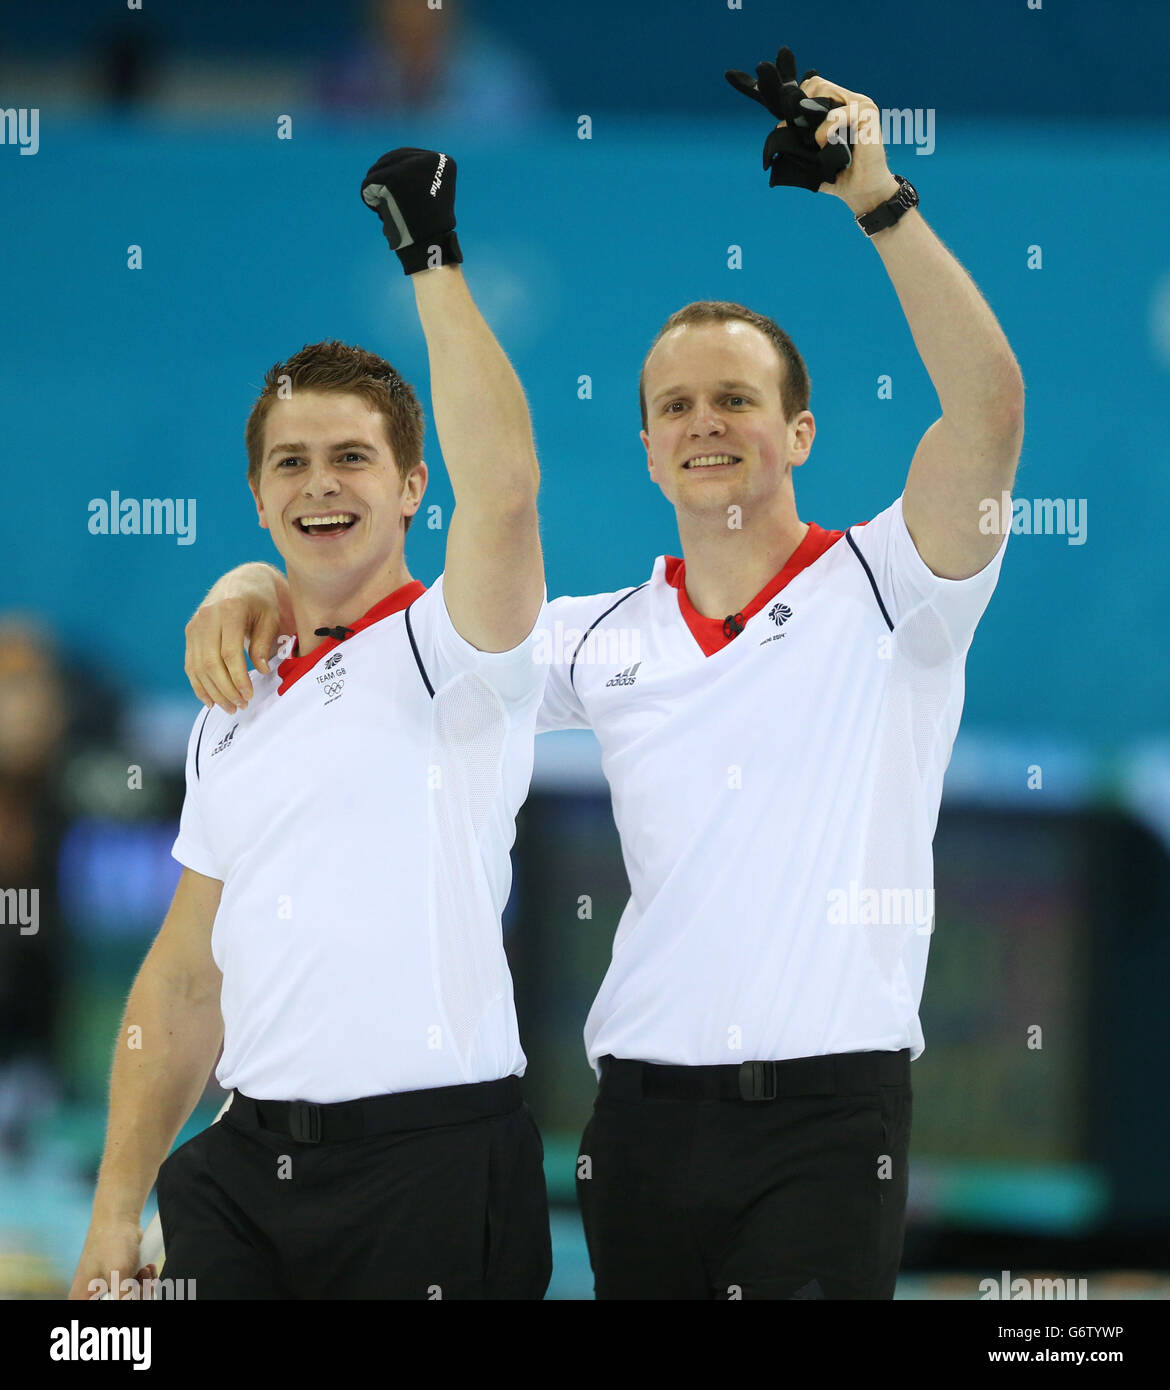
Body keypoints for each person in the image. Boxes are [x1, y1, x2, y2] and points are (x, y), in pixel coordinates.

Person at [183, 50, 1024, 1299]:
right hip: (636, 1125)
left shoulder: (897, 590)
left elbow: (989, 416)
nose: (703, 423)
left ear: (799, 432)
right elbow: (417, 619)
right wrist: (247, 584)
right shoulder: (594, 638)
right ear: (644, 450)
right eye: (674, 405)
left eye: (735, 398)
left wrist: (879, 202)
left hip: (829, 1126)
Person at [70, 147, 551, 1300]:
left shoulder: (462, 648)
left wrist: (430, 258)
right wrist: (112, 1212)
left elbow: (510, 489)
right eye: (292, 462)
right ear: (257, 496)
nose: (320, 483)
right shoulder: (234, 702)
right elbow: (184, 982)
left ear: (411, 486)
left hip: (433, 1165)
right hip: (244, 1167)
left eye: (352, 458)